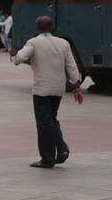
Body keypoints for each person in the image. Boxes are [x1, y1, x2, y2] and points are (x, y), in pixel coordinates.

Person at [13, 15, 84, 168]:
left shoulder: (34, 42)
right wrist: (77, 86)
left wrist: (15, 57)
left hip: (41, 89)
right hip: (58, 89)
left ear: (37, 27)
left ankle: (47, 159)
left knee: (44, 123)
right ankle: (62, 149)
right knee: (52, 119)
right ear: (52, 27)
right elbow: (72, 67)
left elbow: (21, 57)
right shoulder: (63, 43)